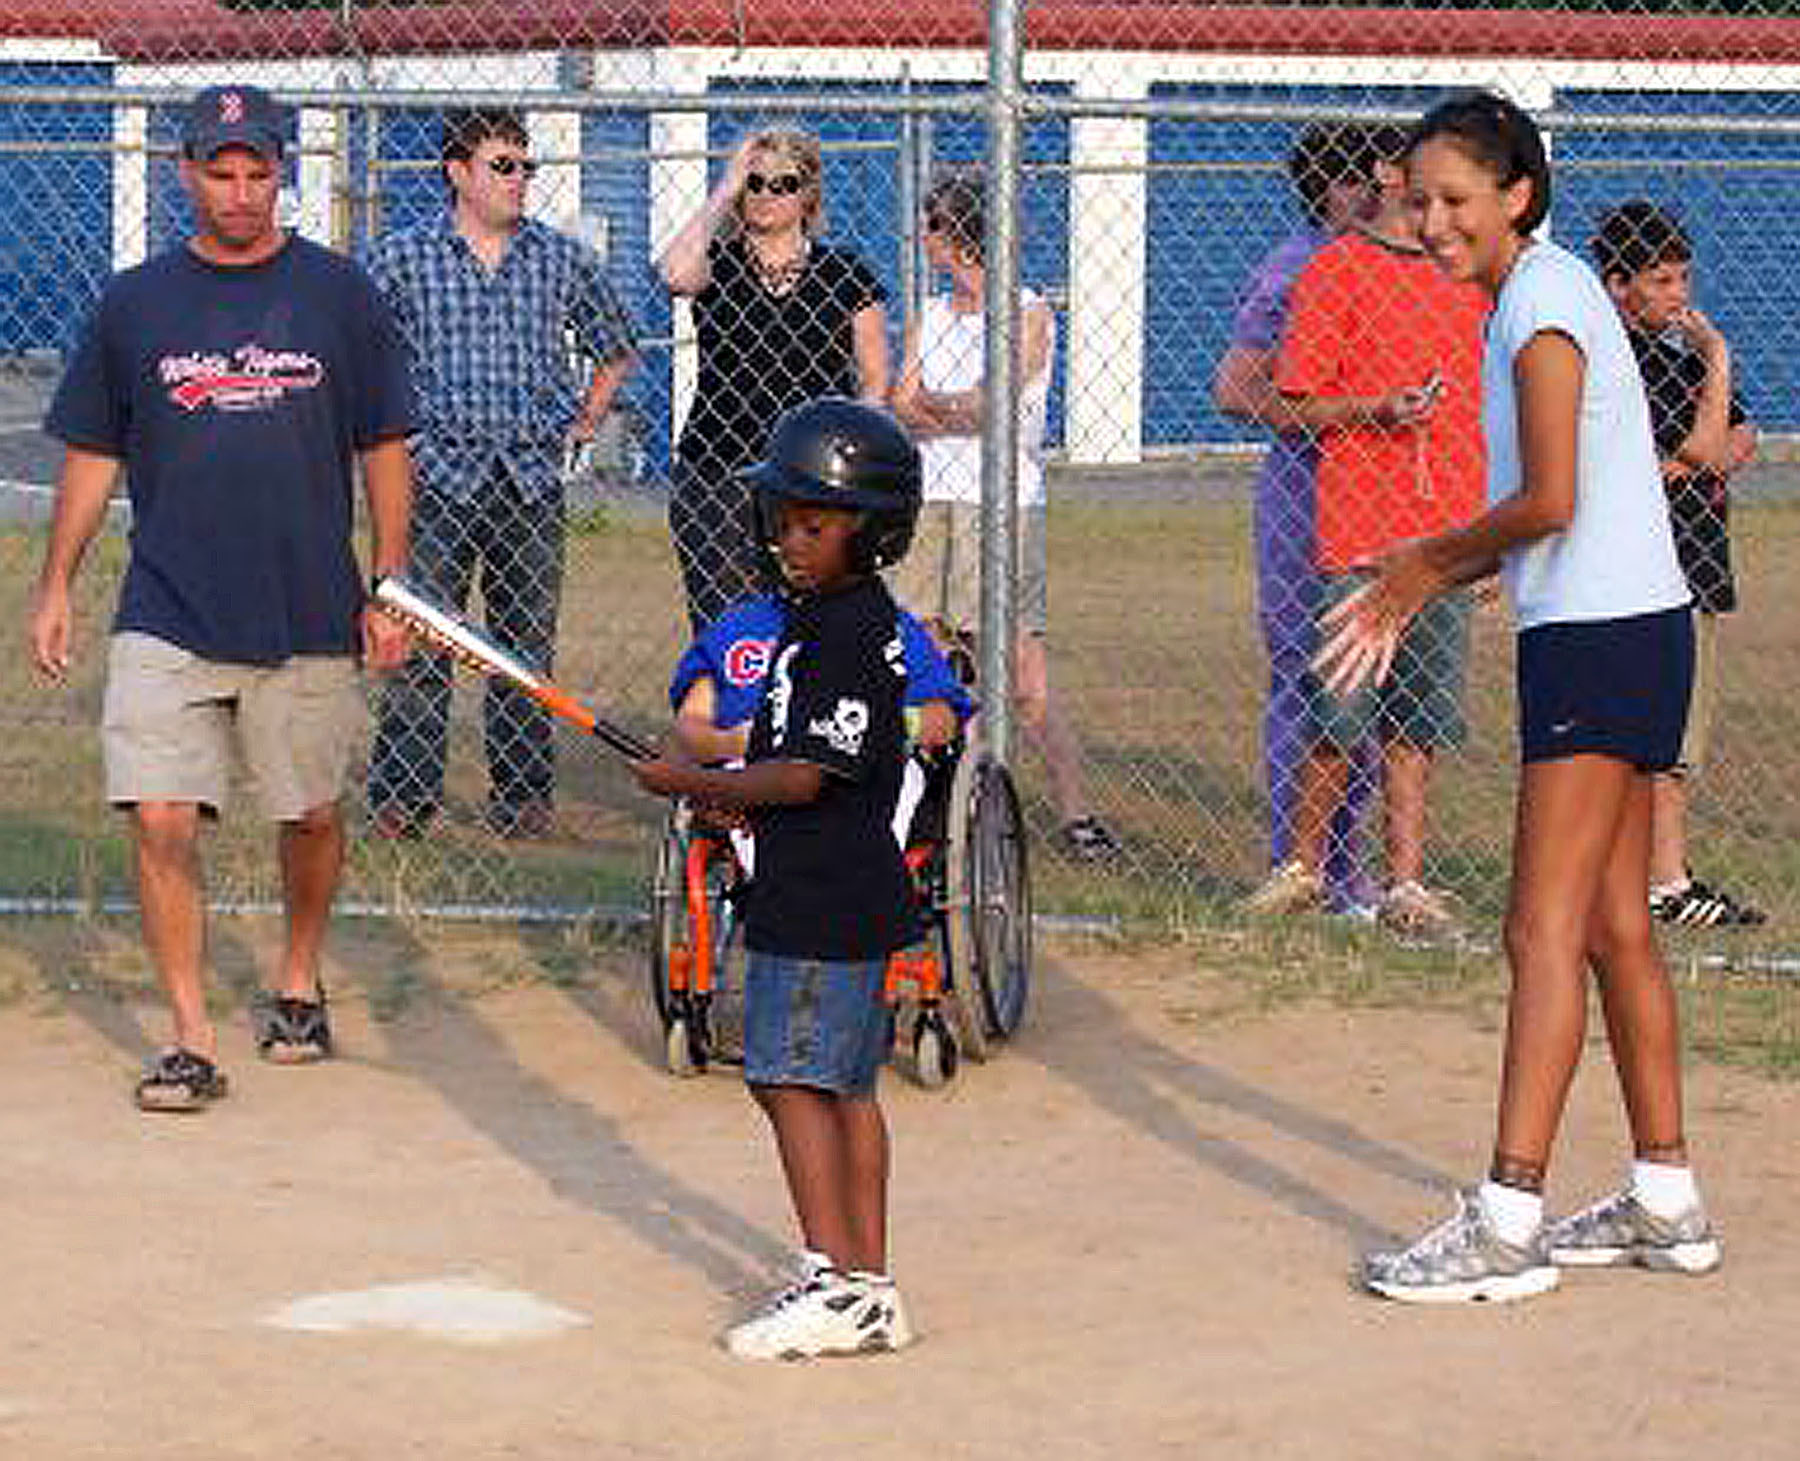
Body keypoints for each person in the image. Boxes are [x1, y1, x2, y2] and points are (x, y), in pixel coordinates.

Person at [1320, 91, 1721, 1304]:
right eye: (1419, 199)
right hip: (1626, 630)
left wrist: (1418, 567)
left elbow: (1550, 497)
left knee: (1536, 929)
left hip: (1601, 642)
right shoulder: (1536, 298)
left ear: (1518, 199)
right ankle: (1667, 1201)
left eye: (1454, 199)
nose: (1432, 221)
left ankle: (1506, 1220)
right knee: (1608, 925)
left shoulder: (1540, 302)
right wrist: (1453, 570)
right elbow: (1566, 498)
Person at [28, 84, 414, 1111]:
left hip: (306, 603)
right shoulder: (136, 303)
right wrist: (56, 584)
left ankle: (296, 975)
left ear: (282, 172)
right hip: (169, 603)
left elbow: (384, 445)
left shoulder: (339, 294)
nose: (240, 193)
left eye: (259, 172)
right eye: (220, 170)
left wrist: (389, 584)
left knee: (314, 812)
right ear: (185, 172)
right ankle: (190, 1035)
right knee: (159, 817)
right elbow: (92, 452)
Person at [630, 398, 923, 1359]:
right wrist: (731, 801)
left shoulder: (844, 631)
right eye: (783, 520)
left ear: (871, 532)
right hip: (834, 875)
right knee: (840, 1083)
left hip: (822, 894)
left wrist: (687, 778)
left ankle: (835, 1278)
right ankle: (866, 1285)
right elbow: (800, 763)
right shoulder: (824, 615)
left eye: (814, 524)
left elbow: (805, 774)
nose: (789, 540)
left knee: (789, 1077)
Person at [365, 106, 638, 842]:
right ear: (459, 171)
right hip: (434, 478)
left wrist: (584, 421)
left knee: (523, 649)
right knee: (421, 638)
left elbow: (616, 345)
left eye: (527, 168)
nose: (520, 181)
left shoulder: (560, 258)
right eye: (504, 166)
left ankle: (521, 796)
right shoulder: (402, 257)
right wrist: (394, 434)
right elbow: (358, 350)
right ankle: (404, 795)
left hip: (528, 480)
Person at [1248, 124, 1489, 936]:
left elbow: (1492, 411)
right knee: (1337, 711)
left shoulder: (1472, 278)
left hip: (1445, 530)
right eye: (1421, 180)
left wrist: (1483, 539)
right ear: (1393, 176)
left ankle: (1406, 885)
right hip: (1358, 528)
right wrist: (1374, 407)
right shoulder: (1335, 270)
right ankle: (1303, 869)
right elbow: (1295, 397)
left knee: (1418, 723)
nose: (1435, 204)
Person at [889, 170, 1119, 862]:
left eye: (932, 225)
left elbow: (995, 401)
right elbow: (902, 401)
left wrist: (944, 405)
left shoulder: (1027, 310)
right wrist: (945, 407)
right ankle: (941, 801)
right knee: (928, 652)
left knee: (1019, 673)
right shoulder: (932, 314)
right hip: (931, 497)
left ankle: (1076, 810)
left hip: (1002, 503)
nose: (925, 239)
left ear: (958, 233)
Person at [1213, 121, 1385, 913]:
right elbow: (1235, 388)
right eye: (1354, 179)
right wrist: (1334, 412)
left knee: (1376, 682)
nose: (1372, 194)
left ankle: (1354, 868)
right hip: (1305, 493)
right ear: (1324, 188)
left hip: (1384, 494)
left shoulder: (1406, 269)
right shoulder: (1293, 270)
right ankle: (1301, 861)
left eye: (1382, 179)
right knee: (1304, 676)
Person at [1591, 202, 1764, 928]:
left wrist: (1697, 452)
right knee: (1666, 736)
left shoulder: (1673, 357)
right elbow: (1696, 450)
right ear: (1616, 284)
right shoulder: (1617, 360)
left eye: (1683, 277)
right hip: (1652, 567)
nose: (1678, 295)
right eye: (1660, 280)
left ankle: (1663, 871)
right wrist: (1718, 359)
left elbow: (1738, 436)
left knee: (1681, 733)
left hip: (1699, 558)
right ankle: (1663, 880)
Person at [659, 128, 889, 630]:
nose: (764, 195)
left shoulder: (844, 273)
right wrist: (726, 184)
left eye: (782, 184)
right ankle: (734, 711)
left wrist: (852, 465)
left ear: (808, 194)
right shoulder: (716, 264)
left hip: (813, 478)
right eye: (755, 183)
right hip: (719, 468)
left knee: (812, 621)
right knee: (727, 627)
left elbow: (875, 381)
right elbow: (675, 275)